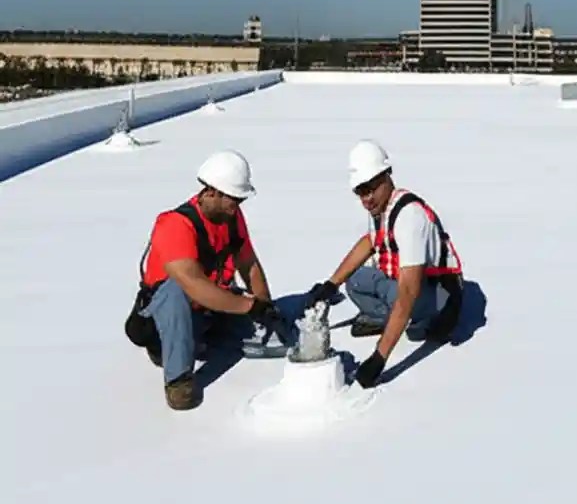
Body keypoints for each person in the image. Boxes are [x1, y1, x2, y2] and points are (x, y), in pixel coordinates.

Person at [125, 150, 282, 411]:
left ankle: (201, 339)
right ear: (211, 192)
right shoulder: (174, 225)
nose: (238, 206)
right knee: (175, 291)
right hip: (166, 319)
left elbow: (248, 262)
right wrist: (247, 306)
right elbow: (193, 285)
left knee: (255, 330)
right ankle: (178, 380)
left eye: (240, 200)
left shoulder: (231, 217)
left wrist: (264, 304)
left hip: (206, 308)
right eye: (234, 199)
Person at [303, 140, 465, 389]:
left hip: (438, 294)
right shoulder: (381, 209)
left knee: (400, 299)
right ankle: (395, 319)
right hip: (404, 284)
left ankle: (413, 322)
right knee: (355, 281)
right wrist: (331, 284)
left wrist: (379, 358)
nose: (366, 198)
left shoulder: (409, 217)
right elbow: (369, 242)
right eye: (360, 191)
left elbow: (408, 292)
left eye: (370, 188)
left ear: (387, 176)